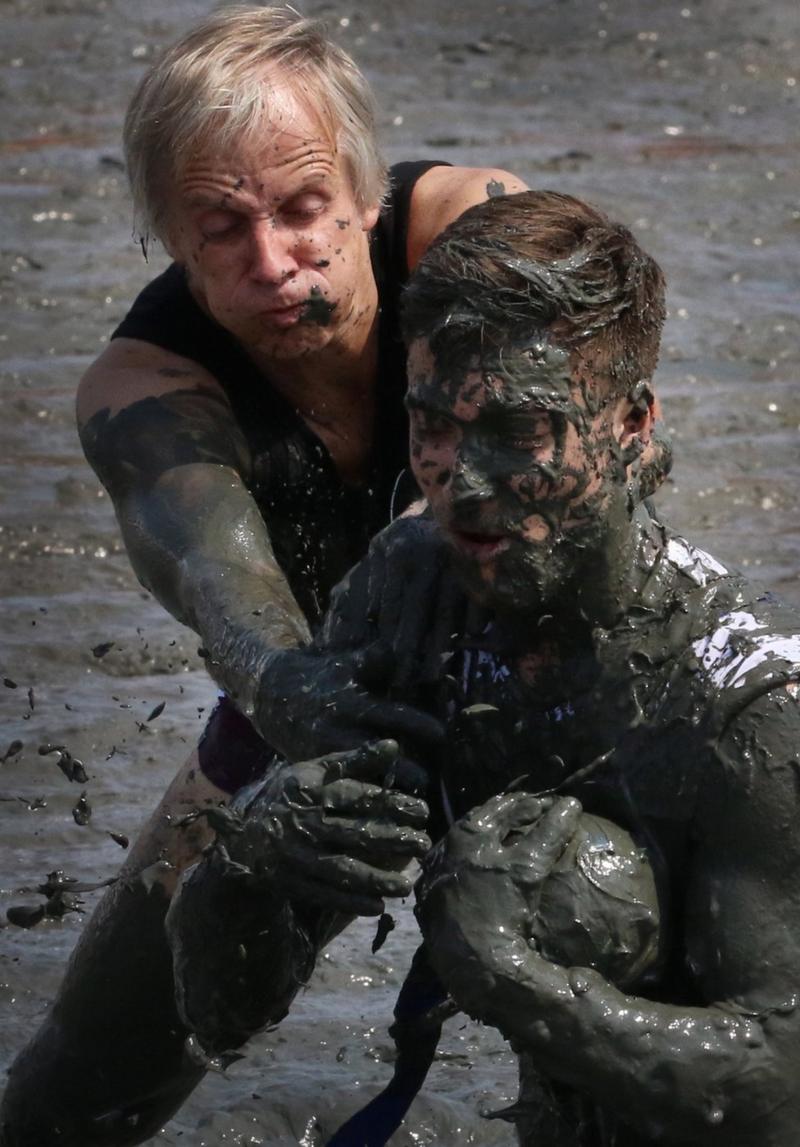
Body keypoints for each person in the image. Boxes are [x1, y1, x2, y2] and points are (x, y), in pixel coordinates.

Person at [165, 190, 800, 1144]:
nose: (462, 484)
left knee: (583, 882)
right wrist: (252, 858)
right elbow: (219, 1015)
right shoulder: (412, 597)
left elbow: (783, 1082)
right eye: (435, 427)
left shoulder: (745, 710)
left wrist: (510, 974)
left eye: (518, 432)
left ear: (633, 425)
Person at [0, 7, 529, 1145]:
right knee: (77, 1089)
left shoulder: (476, 237)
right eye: (221, 229)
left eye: (301, 210)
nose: (275, 261)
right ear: (169, 241)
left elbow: (582, 460)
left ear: (363, 192)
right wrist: (290, 695)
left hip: (553, 668)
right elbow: (212, 571)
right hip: (315, 697)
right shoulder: (140, 383)